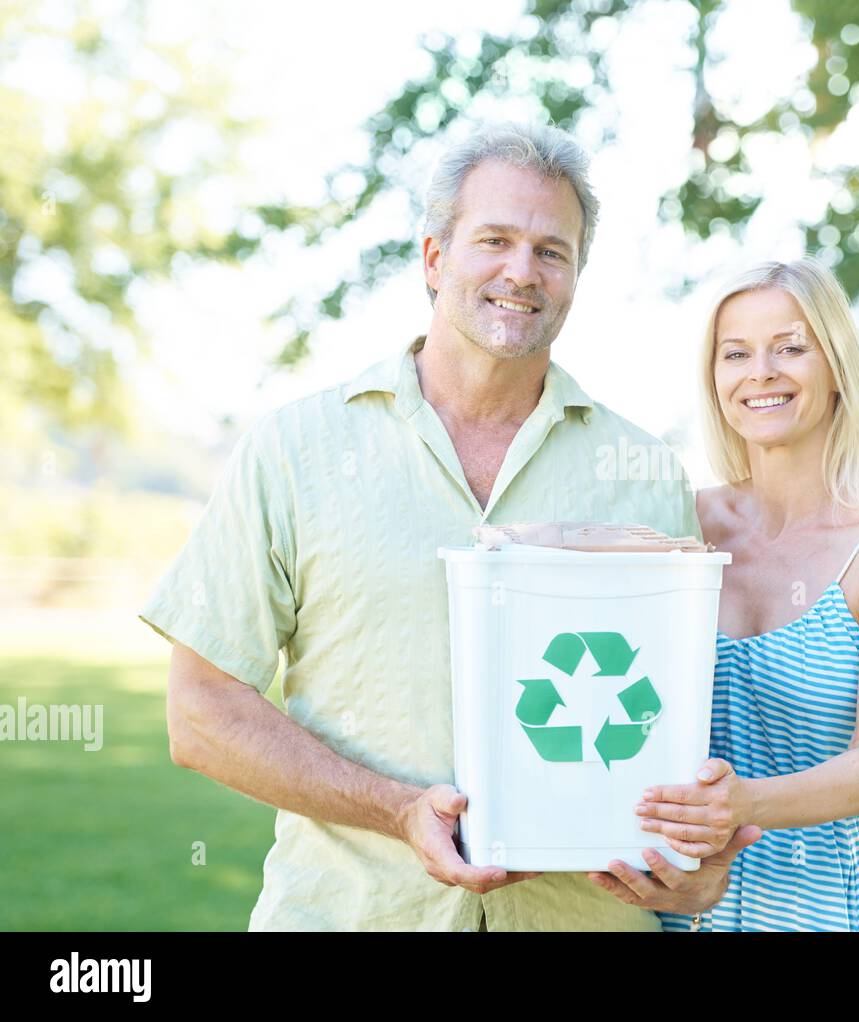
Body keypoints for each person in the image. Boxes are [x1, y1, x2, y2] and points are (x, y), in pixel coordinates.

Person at [140, 121, 745, 931]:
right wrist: (395, 809)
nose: (520, 272)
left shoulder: (642, 473)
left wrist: (692, 875)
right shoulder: (296, 450)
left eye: (551, 251)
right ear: (434, 258)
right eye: (493, 239)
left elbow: (672, 723)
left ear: (575, 277)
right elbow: (201, 713)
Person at [590, 259, 859, 931]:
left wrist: (740, 804)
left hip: (818, 910)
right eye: (736, 353)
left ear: (836, 365)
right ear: (715, 378)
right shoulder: (677, 525)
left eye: (790, 347)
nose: (762, 372)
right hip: (672, 910)